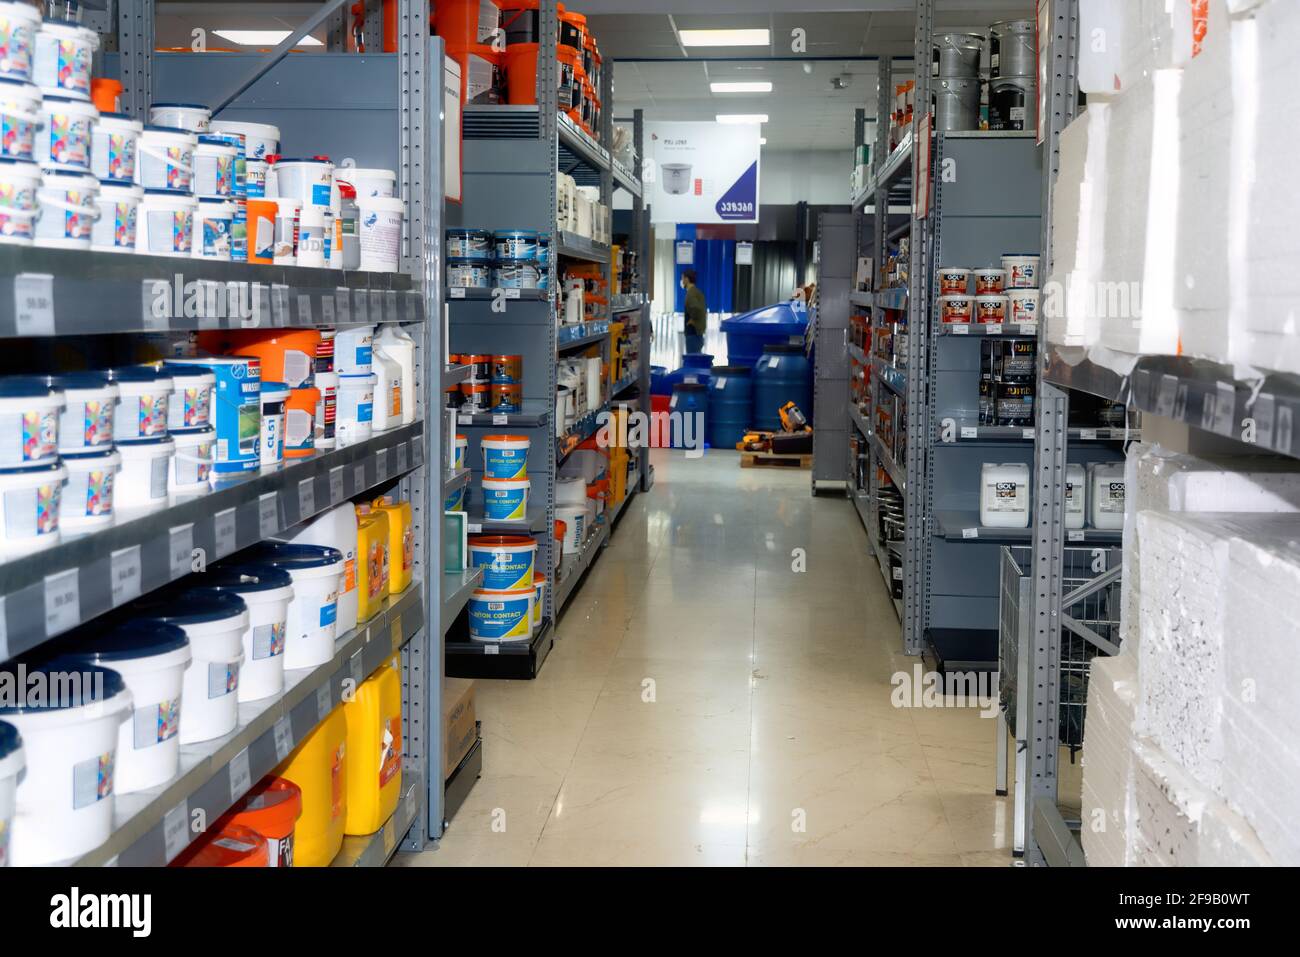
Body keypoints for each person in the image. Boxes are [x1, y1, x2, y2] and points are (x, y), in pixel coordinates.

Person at [681, 269, 706, 355]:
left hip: (693, 332)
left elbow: (696, 308)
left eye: (683, 278)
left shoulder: (691, 293)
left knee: (693, 358)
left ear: (687, 279)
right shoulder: (697, 292)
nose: (682, 281)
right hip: (697, 332)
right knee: (697, 357)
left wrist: (692, 320)